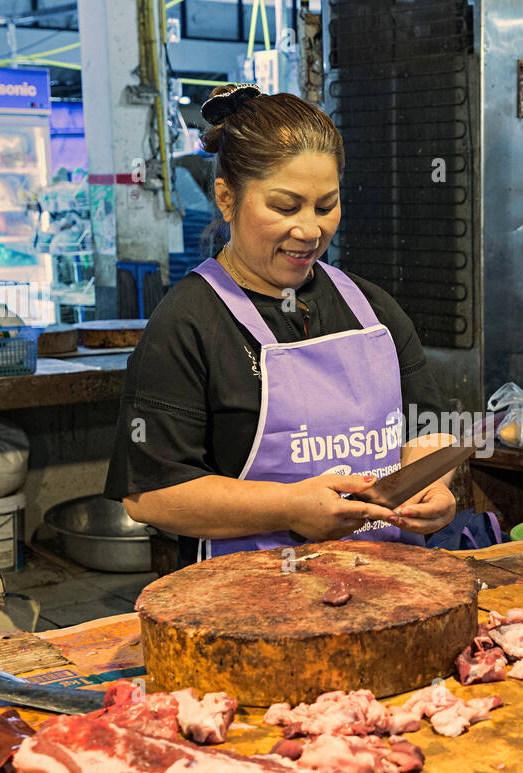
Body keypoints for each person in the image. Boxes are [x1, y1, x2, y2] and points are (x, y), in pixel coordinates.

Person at [104, 83, 456, 566]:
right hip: (250, 606)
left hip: (389, 586)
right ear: (227, 199)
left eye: (325, 206)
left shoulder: (370, 307)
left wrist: (431, 485)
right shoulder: (189, 321)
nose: (310, 230)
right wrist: (289, 507)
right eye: (285, 207)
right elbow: (150, 495)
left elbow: (428, 427)